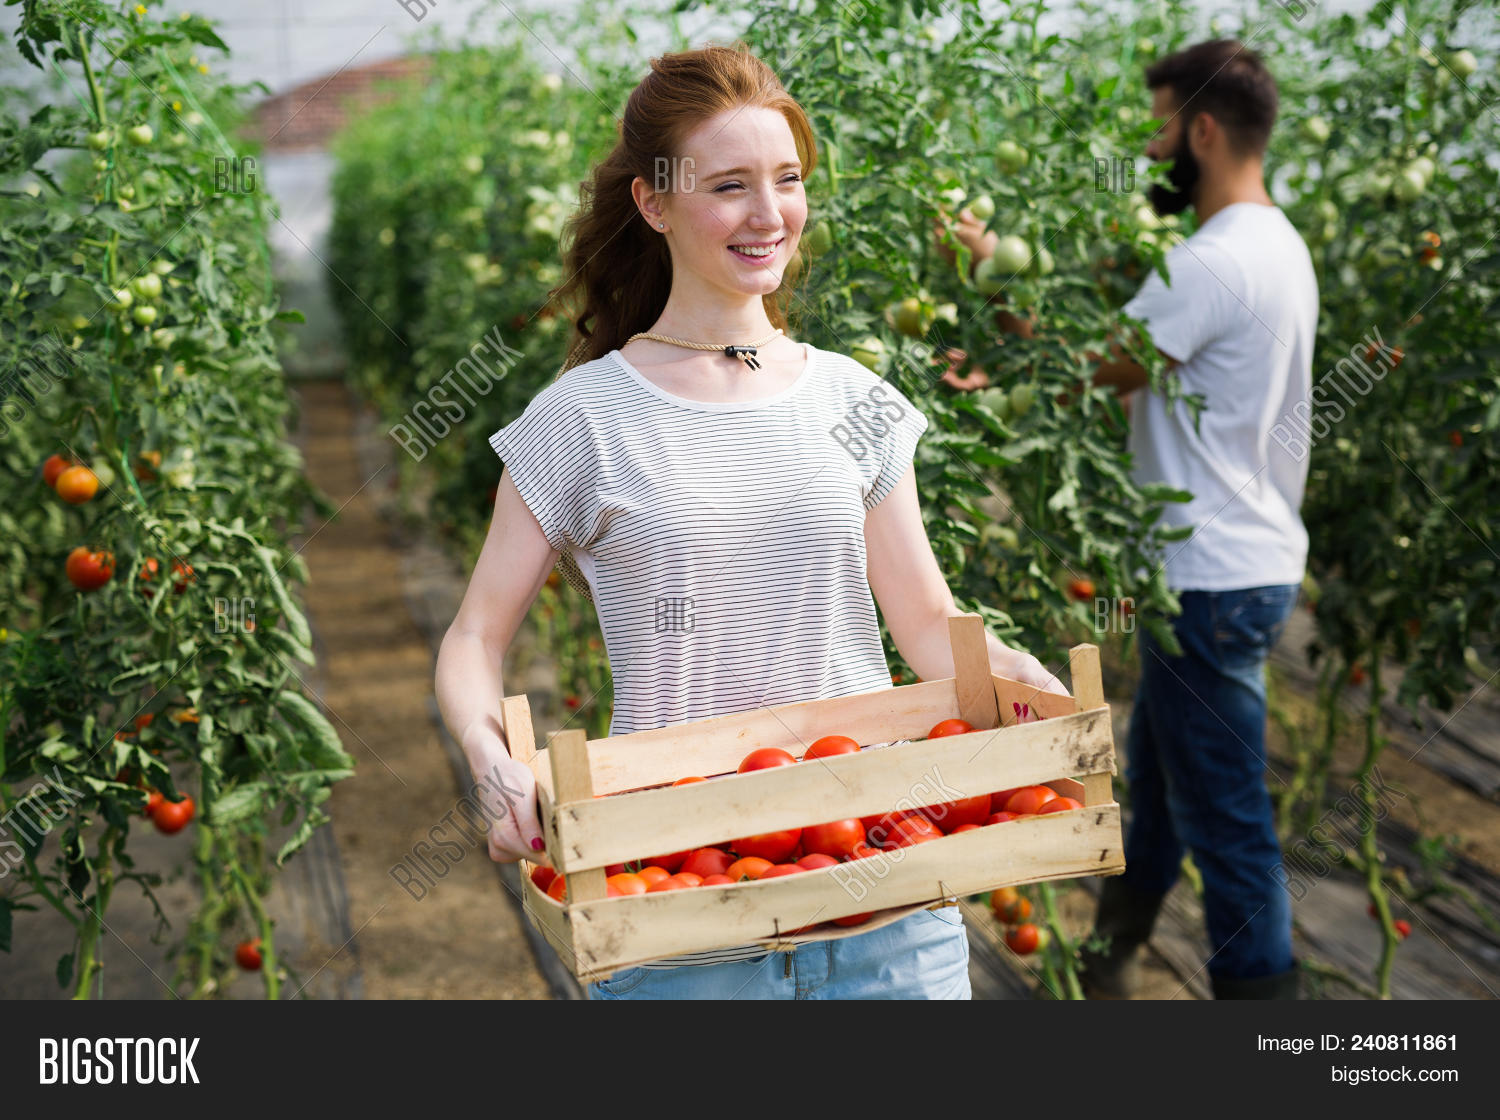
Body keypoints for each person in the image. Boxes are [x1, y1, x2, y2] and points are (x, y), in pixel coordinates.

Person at [433, 43, 1068, 1001]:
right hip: (678, 910)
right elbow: (474, 638)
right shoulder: (581, 419)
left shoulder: (854, 399)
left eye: (788, 181)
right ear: (655, 204)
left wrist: (1013, 675)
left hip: (885, 896)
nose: (770, 215)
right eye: (729, 186)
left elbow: (927, 625)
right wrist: (492, 762)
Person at [942, 39, 1316, 999]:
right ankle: (1108, 968)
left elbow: (1085, 363)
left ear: (1200, 129)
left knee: (1228, 821)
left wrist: (987, 265)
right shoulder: (1280, 244)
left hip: (1207, 579)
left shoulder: (1212, 260)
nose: (1148, 153)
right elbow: (1136, 379)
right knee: (1157, 790)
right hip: (1244, 566)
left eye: (1155, 128)